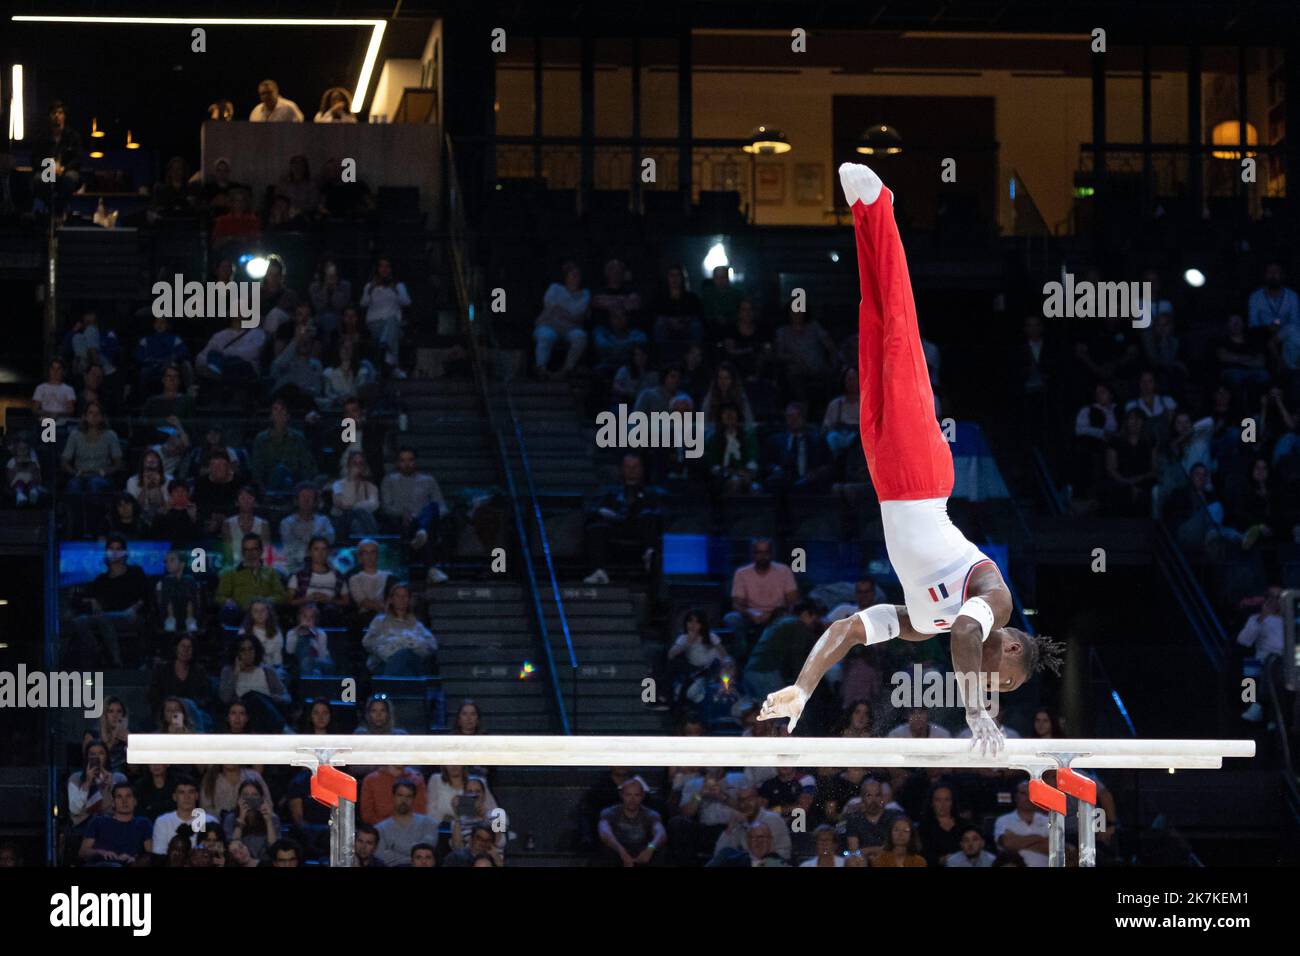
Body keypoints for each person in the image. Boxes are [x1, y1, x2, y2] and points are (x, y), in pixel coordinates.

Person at [760, 165, 1063, 753]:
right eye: (1004, 682)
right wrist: (978, 715)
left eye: (995, 692)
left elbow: (849, 630)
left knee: (871, 333)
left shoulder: (926, 622)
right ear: (1012, 649)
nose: (992, 688)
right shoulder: (994, 599)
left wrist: (802, 687)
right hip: (922, 476)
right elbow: (965, 643)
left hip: (884, 475)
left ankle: (863, 218)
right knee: (899, 332)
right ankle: (880, 206)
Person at [68, 536, 151, 669]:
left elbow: (146, 595)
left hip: (129, 615)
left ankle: (116, 661)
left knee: (103, 618)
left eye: (118, 549)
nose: (114, 552)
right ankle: (97, 652)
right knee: (79, 621)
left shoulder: (135, 572)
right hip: (105, 616)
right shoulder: (102, 580)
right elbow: (79, 598)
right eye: (111, 549)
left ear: (125, 553)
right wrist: (92, 600)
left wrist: (134, 608)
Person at [723, 538, 799, 653]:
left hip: (778, 614)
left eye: (766, 552)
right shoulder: (742, 573)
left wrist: (776, 614)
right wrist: (750, 612)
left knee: (793, 619)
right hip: (751, 615)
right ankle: (743, 654)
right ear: (752, 555)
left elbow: (793, 600)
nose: (763, 556)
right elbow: (737, 604)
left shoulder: (784, 571)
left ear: (771, 554)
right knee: (732, 618)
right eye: (759, 552)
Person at [362, 583, 437, 676]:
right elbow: (367, 642)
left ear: (409, 599)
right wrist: (391, 642)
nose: (401, 599)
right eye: (398, 595)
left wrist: (413, 644)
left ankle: (388, 687)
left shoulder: (416, 624)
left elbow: (432, 644)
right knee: (405, 669)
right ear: (391, 599)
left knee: (405, 655)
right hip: (384, 663)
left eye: (405, 596)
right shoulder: (380, 621)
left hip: (412, 662)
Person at [534, 260, 590, 378]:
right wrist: (567, 313)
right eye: (573, 275)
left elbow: (578, 312)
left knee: (580, 337)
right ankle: (541, 369)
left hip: (571, 328)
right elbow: (549, 305)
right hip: (548, 324)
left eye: (578, 275)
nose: (576, 278)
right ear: (566, 277)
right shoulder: (554, 288)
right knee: (546, 335)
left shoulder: (585, 294)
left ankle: (567, 370)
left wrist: (560, 309)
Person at [597, 776, 667, 867]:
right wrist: (621, 851)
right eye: (628, 795)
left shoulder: (651, 814)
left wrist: (650, 849)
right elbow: (604, 832)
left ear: (642, 796)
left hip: (642, 852)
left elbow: (661, 833)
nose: (632, 799)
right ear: (621, 795)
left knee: (660, 850)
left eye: (636, 795)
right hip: (617, 852)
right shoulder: (610, 812)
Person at [360, 258, 411, 378]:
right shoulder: (370, 286)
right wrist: (370, 291)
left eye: (387, 266)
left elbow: (407, 302)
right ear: (378, 269)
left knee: (392, 321)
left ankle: (385, 348)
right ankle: (394, 365)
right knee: (392, 331)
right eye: (381, 266)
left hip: (394, 324)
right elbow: (363, 303)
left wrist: (397, 291)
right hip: (375, 324)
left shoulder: (399, 285)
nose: (384, 269)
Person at [251, 400, 318, 493]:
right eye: (275, 409)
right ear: (271, 415)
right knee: (280, 471)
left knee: (286, 479)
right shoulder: (261, 439)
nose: (279, 413)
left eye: (282, 410)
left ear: (288, 415)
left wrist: (304, 489)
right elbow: (256, 468)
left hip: (294, 483)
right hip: (268, 484)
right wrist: (261, 488)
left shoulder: (298, 438)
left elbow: (306, 466)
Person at [79, 783, 152, 866]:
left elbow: (150, 854)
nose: (124, 801)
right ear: (113, 803)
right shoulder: (98, 821)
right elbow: (83, 852)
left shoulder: (143, 823)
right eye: (119, 797)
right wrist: (101, 852)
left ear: (135, 802)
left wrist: (135, 860)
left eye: (128, 796)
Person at [216, 533, 288, 615]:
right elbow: (219, 597)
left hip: (265, 614)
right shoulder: (230, 573)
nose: (250, 553)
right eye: (246, 549)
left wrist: (266, 602)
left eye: (254, 549)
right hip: (240, 614)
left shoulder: (271, 572)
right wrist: (228, 601)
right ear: (242, 552)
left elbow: (282, 596)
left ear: (261, 551)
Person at [62, 401, 123, 495]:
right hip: (80, 475)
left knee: (94, 483)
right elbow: (65, 461)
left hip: (102, 476)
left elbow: (118, 463)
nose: (94, 416)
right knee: (73, 485)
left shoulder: (111, 435)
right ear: (85, 416)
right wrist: (75, 473)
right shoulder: (75, 435)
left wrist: (105, 472)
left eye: (97, 413)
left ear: (102, 417)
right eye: (90, 413)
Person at [375, 780, 440, 866]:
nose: (404, 800)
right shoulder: (380, 829)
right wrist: (414, 859)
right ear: (393, 797)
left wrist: (394, 852)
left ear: (414, 799)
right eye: (400, 795)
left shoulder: (430, 824)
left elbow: (426, 852)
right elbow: (381, 857)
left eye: (408, 796)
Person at [34, 100, 82, 214]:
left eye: (60, 113)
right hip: (47, 170)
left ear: (64, 116)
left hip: (67, 170)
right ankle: (52, 208)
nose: (57, 116)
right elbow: (35, 159)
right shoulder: (42, 136)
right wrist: (50, 167)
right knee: (38, 180)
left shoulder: (73, 136)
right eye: (54, 113)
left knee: (70, 178)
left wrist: (63, 168)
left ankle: (58, 208)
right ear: (49, 116)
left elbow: (78, 159)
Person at [994, 780, 1050, 867]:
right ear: (1016, 797)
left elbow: (1054, 848)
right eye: (1023, 793)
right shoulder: (1003, 820)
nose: (1028, 797)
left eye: (1031, 793)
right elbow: (1007, 843)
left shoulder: (1048, 820)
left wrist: (1017, 841)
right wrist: (1039, 839)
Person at [332, 451, 381, 538]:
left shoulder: (371, 487)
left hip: (364, 523)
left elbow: (374, 505)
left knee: (358, 519)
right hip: (342, 522)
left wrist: (354, 506)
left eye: (361, 463)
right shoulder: (338, 484)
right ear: (348, 465)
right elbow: (340, 504)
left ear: (364, 467)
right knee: (357, 515)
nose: (357, 466)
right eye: (354, 463)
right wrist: (351, 481)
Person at [151, 775, 203, 851]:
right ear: (174, 797)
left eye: (191, 792)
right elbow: (159, 854)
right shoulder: (162, 822)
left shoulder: (209, 821)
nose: (187, 797)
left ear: (197, 796)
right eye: (182, 793)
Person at [1247, 262, 1300, 331]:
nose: (1273, 275)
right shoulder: (1255, 297)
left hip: (1288, 337)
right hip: (1262, 335)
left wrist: (1282, 334)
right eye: (1270, 272)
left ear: (1282, 275)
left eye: (1276, 272)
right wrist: (1267, 330)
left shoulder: (1292, 296)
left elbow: (1295, 322)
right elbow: (1253, 323)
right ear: (1265, 275)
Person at [33, 358, 77, 425]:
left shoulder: (69, 389)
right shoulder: (40, 388)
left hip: (63, 424)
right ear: (49, 370)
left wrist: (58, 414)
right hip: (45, 423)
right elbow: (35, 409)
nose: (55, 371)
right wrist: (49, 414)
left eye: (58, 369)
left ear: (62, 371)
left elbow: (71, 410)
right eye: (53, 369)